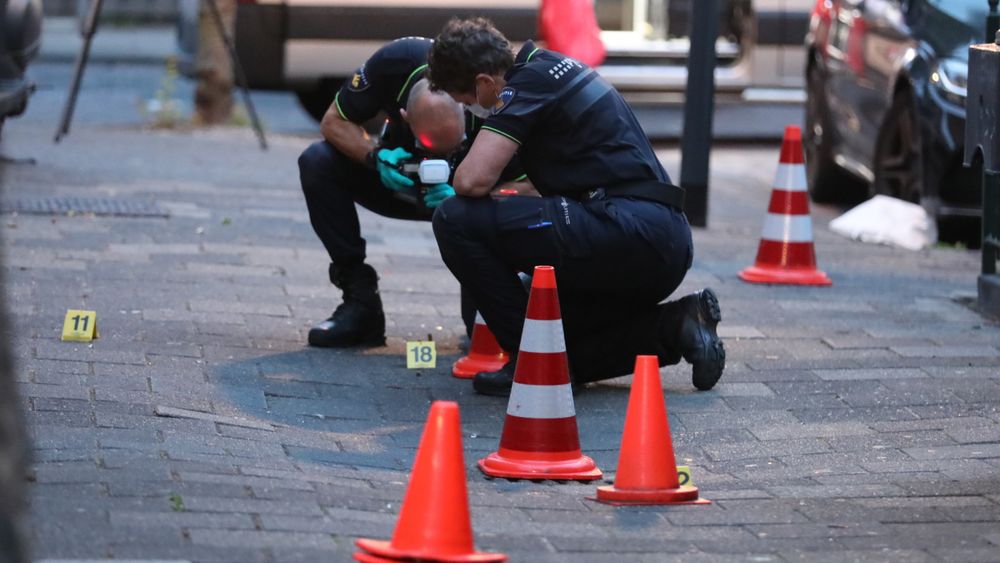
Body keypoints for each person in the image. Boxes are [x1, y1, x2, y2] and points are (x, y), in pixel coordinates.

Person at [426, 17, 726, 396]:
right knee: (561, 341)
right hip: (657, 238)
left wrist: (452, 183)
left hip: (628, 228)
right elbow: (527, 180)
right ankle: (679, 324)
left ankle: (533, 362)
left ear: (485, 82)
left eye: (467, 102)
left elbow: (472, 181)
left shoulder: (526, 86)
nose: (473, 111)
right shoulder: (550, 69)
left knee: (455, 220)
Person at [299, 37, 526, 348]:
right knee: (317, 162)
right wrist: (374, 157)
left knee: (484, 336)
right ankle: (359, 302)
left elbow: (530, 187)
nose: (438, 158)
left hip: (468, 202)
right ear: (405, 115)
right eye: (428, 147)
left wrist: (472, 199)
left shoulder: (492, 95)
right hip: (400, 183)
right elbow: (333, 122)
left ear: (466, 108)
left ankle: (490, 301)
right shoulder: (395, 64)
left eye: (453, 145)